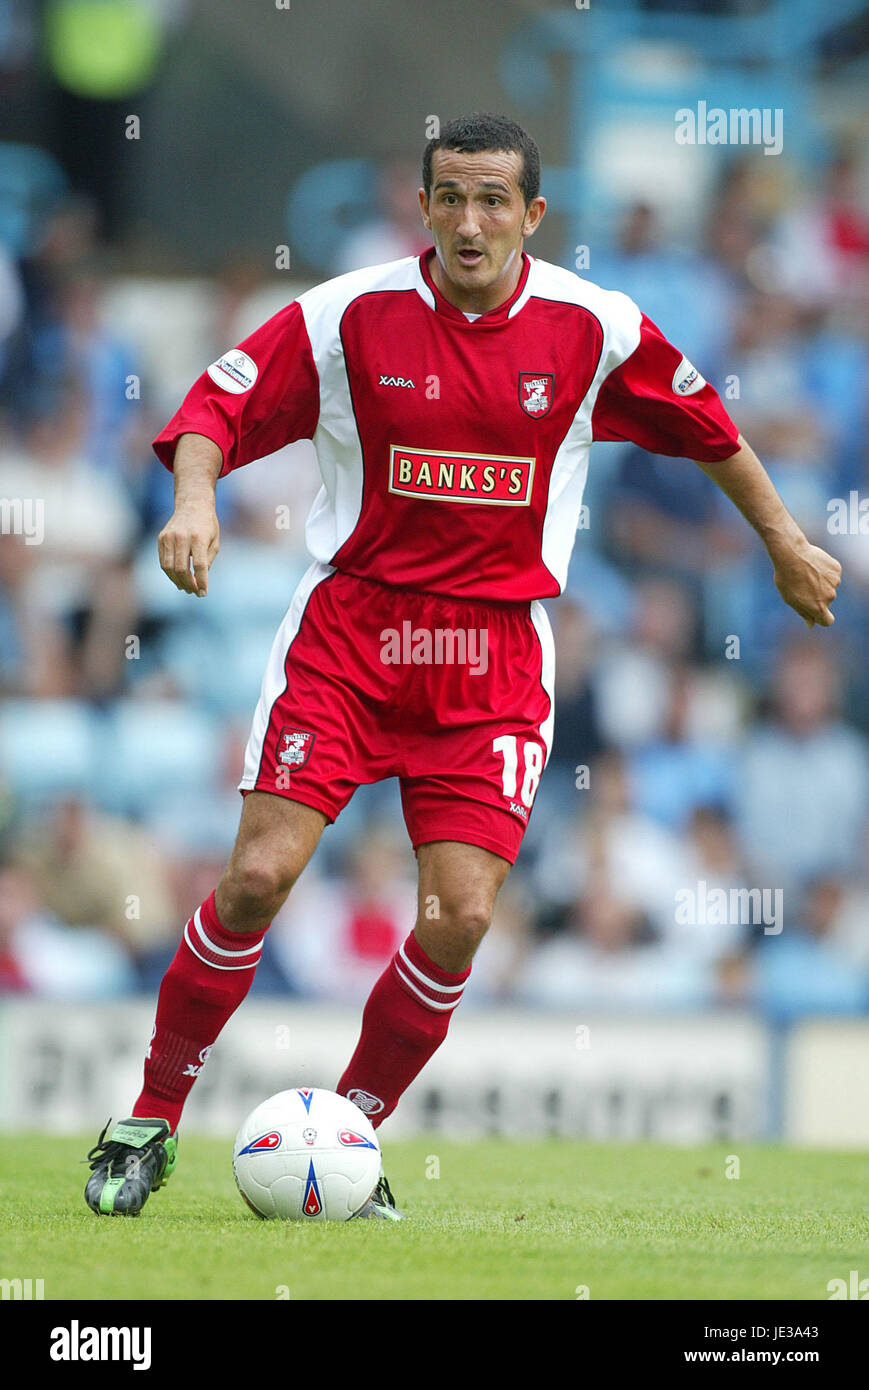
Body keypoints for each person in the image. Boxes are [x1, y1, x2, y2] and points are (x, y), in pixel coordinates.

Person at [84, 112, 842, 1219]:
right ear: (425, 207)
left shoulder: (593, 327)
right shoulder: (349, 313)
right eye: (450, 197)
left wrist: (780, 538)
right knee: (255, 875)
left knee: (459, 913)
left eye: (494, 199)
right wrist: (196, 495)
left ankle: (345, 1140)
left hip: (488, 660)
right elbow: (219, 401)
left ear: (533, 214)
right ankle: (148, 1115)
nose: (470, 221)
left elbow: (704, 422)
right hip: (351, 638)